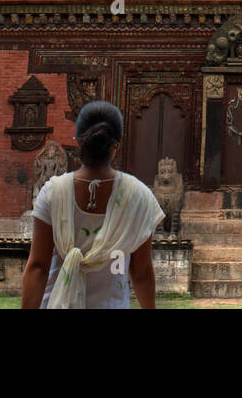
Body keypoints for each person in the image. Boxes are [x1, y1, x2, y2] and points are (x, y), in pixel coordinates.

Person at [22, 101, 164, 309]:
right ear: (117, 144)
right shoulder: (138, 195)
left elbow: (38, 267)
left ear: (79, 140)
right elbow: (141, 273)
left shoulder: (53, 192)